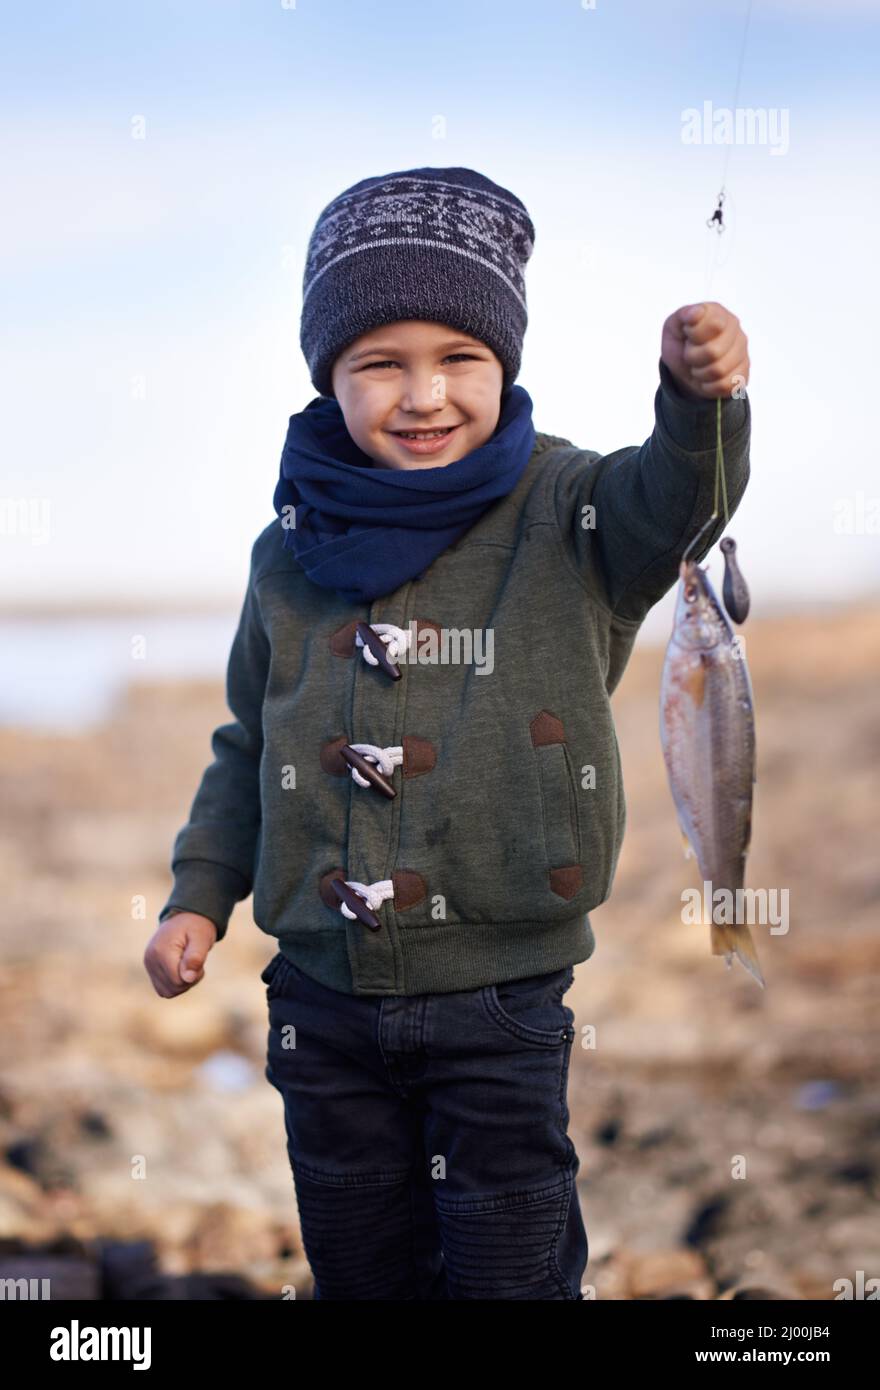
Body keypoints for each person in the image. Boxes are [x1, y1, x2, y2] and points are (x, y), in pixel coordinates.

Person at [143, 166, 751, 1300]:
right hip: (317, 999)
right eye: (381, 363)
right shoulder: (289, 550)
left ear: (503, 363)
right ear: (330, 376)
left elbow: (684, 504)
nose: (423, 394)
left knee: (509, 1258)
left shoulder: (570, 509)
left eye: (457, 359)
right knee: (358, 1252)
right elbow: (245, 739)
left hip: (504, 995)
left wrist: (698, 400)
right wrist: (195, 893)